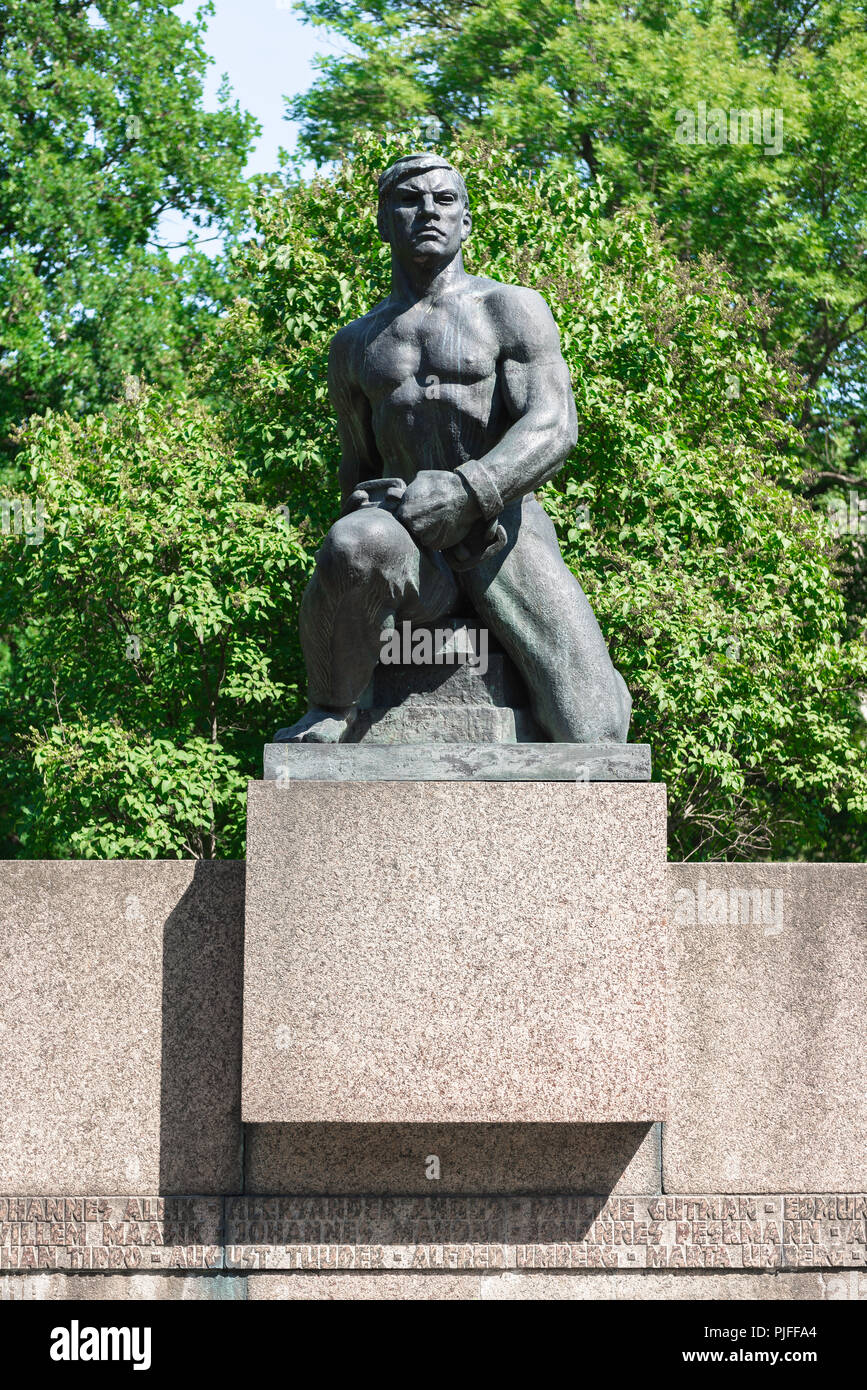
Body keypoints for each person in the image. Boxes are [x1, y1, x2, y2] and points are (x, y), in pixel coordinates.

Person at [276, 153, 631, 744]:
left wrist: (469, 492)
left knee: (595, 732)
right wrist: (366, 505)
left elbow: (553, 424)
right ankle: (333, 706)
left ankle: (591, 688)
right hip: (406, 536)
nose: (427, 211)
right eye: (409, 201)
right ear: (385, 222)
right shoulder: (356, 344)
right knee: (354, 543)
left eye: (444, 200)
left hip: (503, 531)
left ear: (466, 222)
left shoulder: (511, 309)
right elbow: (357, 464)